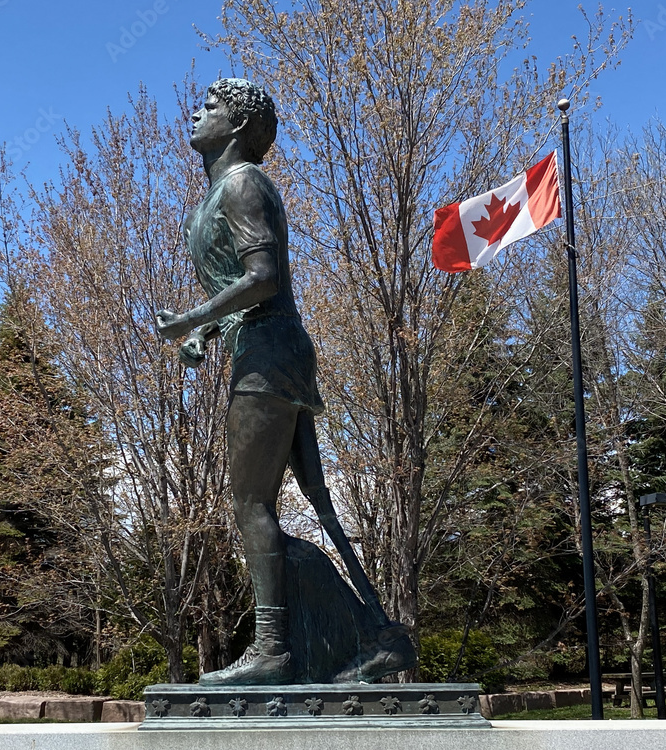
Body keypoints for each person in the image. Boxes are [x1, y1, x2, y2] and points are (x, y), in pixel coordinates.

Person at [156, 78, 394, 685]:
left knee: (251, 502)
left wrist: (192, 318)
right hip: (268, 349)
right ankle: (377, 634)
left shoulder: (242, 184)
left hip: (270, 355)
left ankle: (273, 650)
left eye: (210, 106)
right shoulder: (218, 194)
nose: (196, 112)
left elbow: (263, 278)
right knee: (317, 498)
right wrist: (210, 331)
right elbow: (248, 289)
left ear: (238, 125)